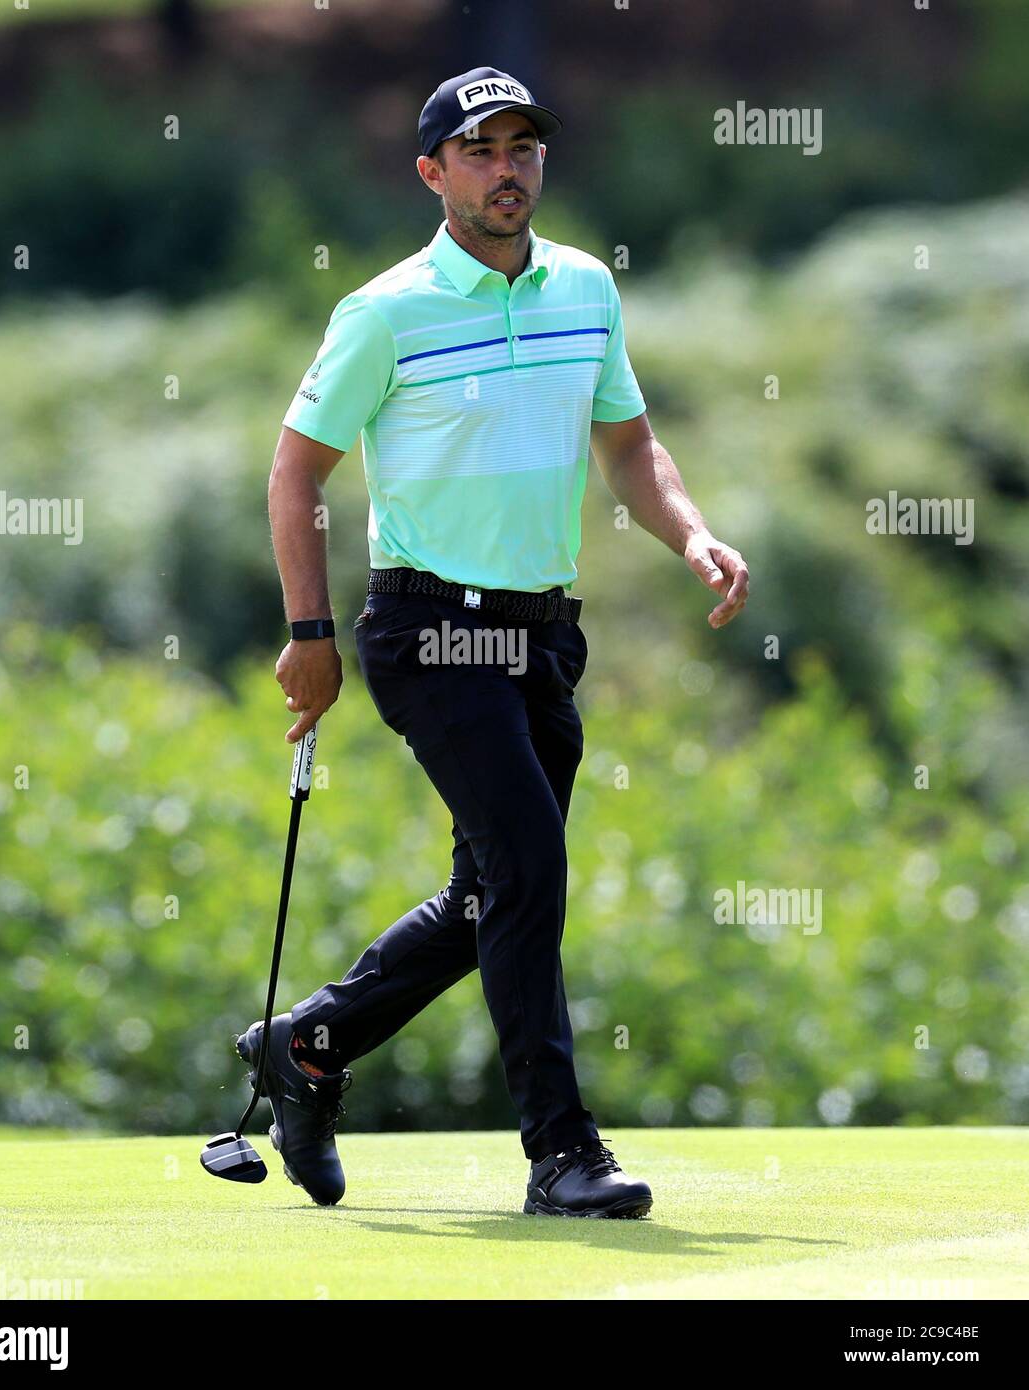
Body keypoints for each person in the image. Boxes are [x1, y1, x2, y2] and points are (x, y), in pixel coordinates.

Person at [236, 66, 750, 1218]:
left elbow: (627, 446)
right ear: (432, 173)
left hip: (542, 635)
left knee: (489, 895)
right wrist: (307, 631)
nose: (507, 167)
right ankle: (560, 1151)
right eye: (480, 150)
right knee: (529, 870)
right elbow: (296, 470)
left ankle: (308, 1045)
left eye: (523, 146)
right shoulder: (383, 310)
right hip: (428, 628)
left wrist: (692, 534)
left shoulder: (584, 286)